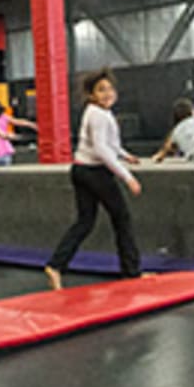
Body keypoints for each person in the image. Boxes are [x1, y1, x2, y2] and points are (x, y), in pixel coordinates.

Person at [45, 68, 142, 290]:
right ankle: (131, 271)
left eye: (110, 89)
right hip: (95, 173)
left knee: (85, 222)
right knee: (122, 218)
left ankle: (56, 265)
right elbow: (101, 149)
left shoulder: (98, 112)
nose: (108, 93)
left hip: (81, 170)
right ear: (91, 95)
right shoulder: (98, 115)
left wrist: (126, 155)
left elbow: (111, 145)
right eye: (101, 90)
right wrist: (127, 177)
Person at [0, 97, 36, 166]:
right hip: (6, 152)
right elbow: (17, 121)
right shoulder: (3, 116)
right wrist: (31, 124)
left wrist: (7, 135)